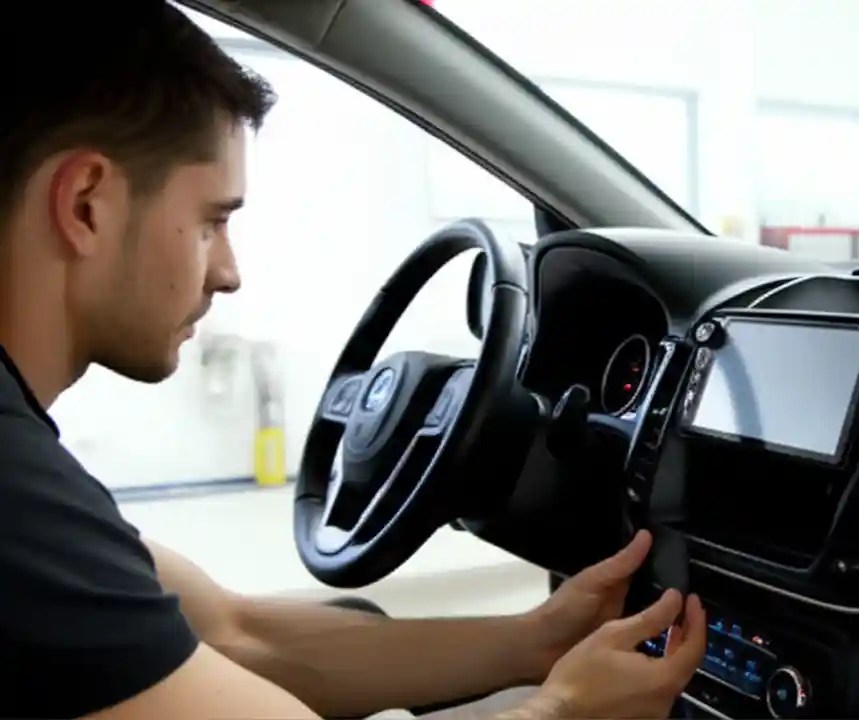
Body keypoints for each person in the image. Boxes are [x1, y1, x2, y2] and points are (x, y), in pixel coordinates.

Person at [0, 3, 706, 719]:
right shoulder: (17, 506)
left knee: (355, 613)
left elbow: (234, 636)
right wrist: (562, 712)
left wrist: (537, 642)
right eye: (214, 221)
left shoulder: (29, 482)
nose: (228, 271)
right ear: (87, 204)